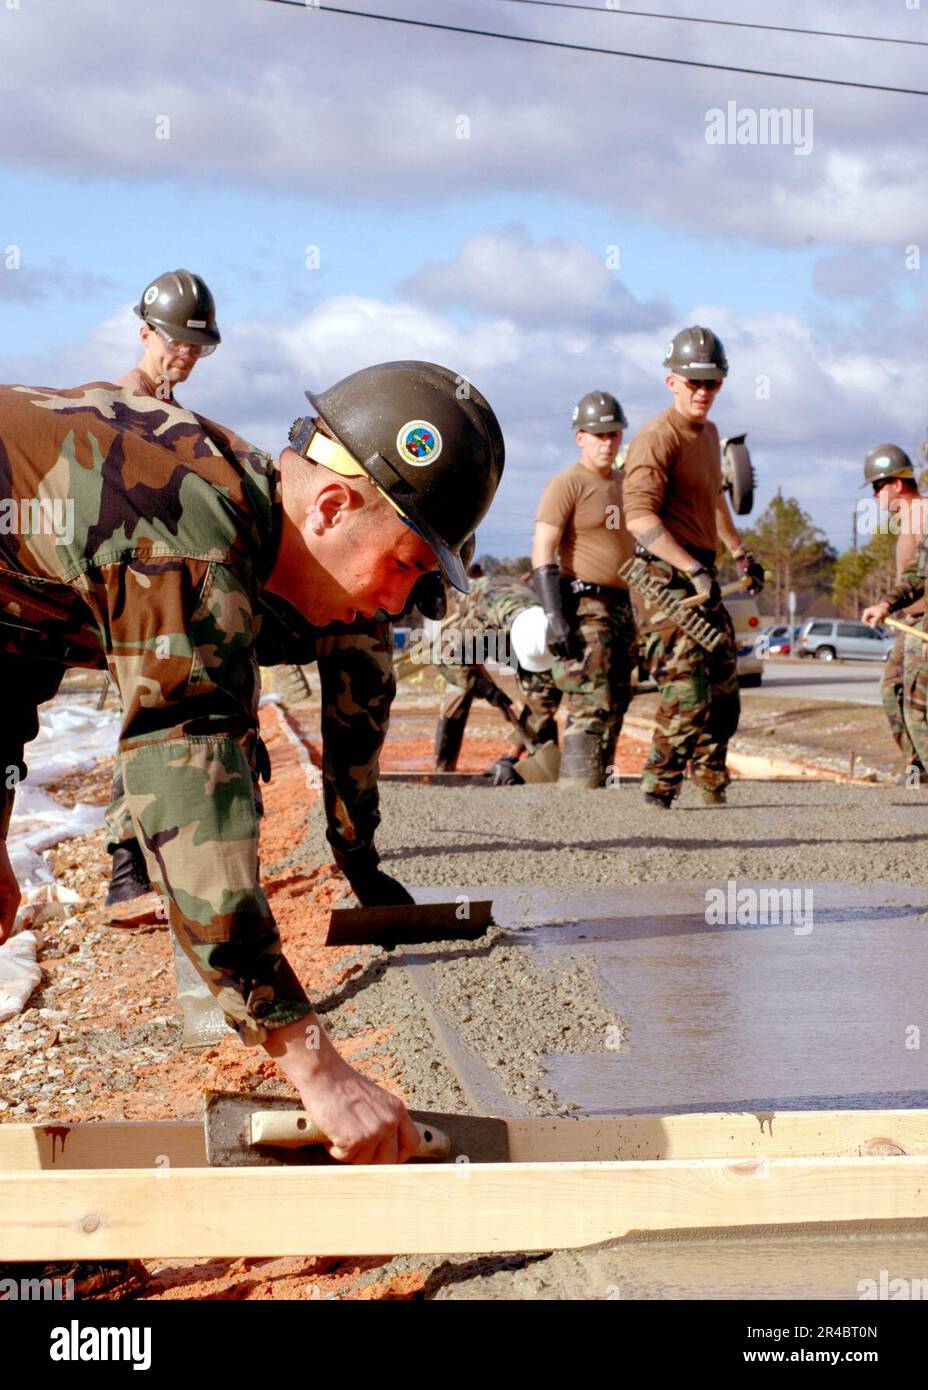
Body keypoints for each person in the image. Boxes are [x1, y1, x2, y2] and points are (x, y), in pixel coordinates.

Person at [0, 359, 504, 1164]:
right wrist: (315, 1065)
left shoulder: (217, 488)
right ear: (333, 506)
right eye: (407, 564)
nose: (399, 604)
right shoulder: (197, 541)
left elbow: (14, 642)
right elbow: (189, 804)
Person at [622, 326, 764, 807]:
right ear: (672, 382)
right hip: (663, 575)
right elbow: (640, 518)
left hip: (699, 573)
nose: (703, 392)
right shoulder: (656, 439)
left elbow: (716, 502)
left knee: (725, 687)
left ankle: (710, 785)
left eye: (713, 383)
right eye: (693, 382)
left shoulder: (709, 434)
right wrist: (691, 568)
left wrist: (740, 552)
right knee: (688, 690)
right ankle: (657, 796)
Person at [530, 391, 637, 788]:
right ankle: (578, 791)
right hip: (585, 604)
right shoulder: (566, 484)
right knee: (590, 699)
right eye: (598, 435)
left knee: (618, 698)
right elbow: (543, 547)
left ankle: (601, 791)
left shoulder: (626, 484)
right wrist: (554, 615)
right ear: (580, 437)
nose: (607, 442)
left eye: (613, 434)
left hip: (624, 606)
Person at [433, 572, 559, 781]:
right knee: (458, 690)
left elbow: (542, 705)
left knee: (539, 699)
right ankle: (443, 769)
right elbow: (442, 655)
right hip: (476, 600)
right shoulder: (479, 625)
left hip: (515, 606)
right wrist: (486, 689)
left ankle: (532, 757)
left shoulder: (547, 638)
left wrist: (510, 756)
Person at [856, 446, 926, 780]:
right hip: (909, 623)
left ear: (897, 483)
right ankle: (918, 772)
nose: (875, 495)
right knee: (893, 689)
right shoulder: (909, 519)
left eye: (877, 486)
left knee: (918, 709)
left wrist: (886, 604)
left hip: (924, 625)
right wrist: (889, 606)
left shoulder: (924, 515)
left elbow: (921, 577)